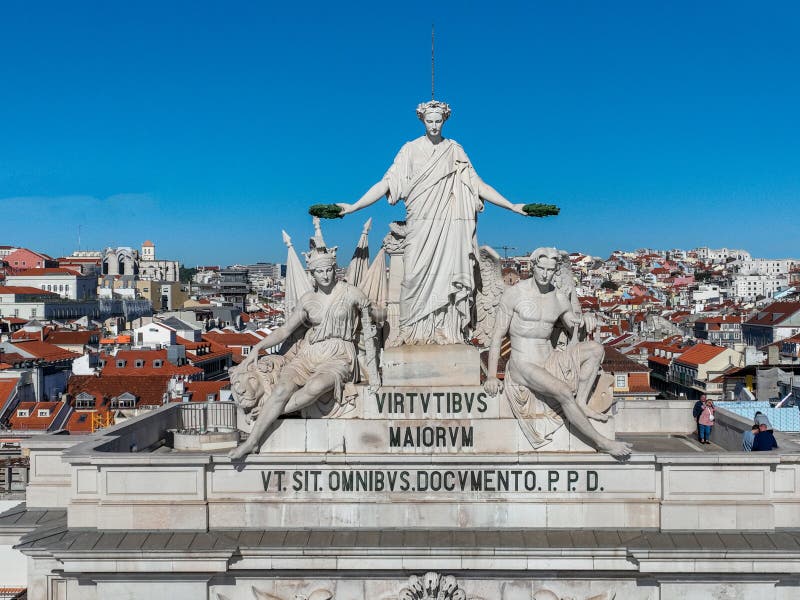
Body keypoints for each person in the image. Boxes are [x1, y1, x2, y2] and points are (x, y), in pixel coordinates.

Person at [336, 100, 528, 346]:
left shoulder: (454, 150)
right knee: (413, 277)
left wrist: (512, 206)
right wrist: (354, 206)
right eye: (430, 121)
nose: (435, 126)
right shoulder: (409, 150)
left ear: (444, 121)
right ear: (422, 121)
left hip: (449, 226)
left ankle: (446, 331)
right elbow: (386, 183)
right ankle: (410, 330)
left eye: (439, 121)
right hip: (419, 224)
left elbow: (477, 185)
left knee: (447, 277)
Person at [228, 230, 371, 460]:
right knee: (282, 389)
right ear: (312, 274)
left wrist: (372, 310)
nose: (325, 275)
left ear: (335, 269)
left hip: (338, 356)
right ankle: (253, 441)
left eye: (328, 270)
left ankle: (267, 413)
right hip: (308, 354)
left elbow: (375, 315)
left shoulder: (351, 293)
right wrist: (258, 347)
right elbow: (285, 331)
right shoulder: (307, 301)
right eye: (319, 271)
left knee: (315, 387)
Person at [484, 247, 632, 460]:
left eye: (551, 270)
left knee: (595, 349)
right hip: (523, 364)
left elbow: (575, 326)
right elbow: (497, 336)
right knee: (562, 391)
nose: (545, 274)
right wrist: (491, 375)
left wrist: (588, 317)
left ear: (555, 271)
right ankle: (602, 442)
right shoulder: (514, 294)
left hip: (549, 359)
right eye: (541, 269)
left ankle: (580, 402)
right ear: (532, 267)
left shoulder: (560, 298)